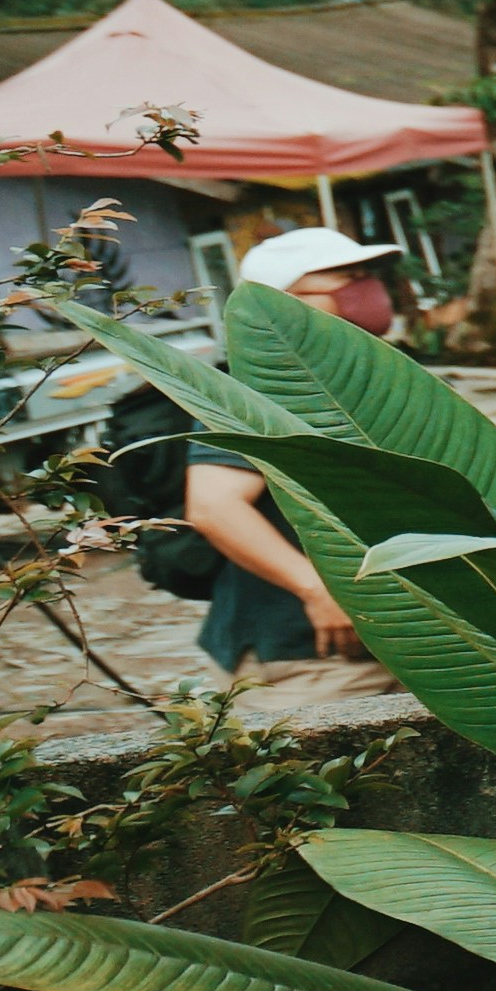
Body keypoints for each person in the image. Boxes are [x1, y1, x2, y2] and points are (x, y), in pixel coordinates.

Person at [184, 227, 405, 675]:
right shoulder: (252, 387)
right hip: (309, 654)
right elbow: (213, 506)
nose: (364, 289)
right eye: (344, 278)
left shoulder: (371, 375)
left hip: (404, 641)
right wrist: (318, 589)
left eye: (365, 274)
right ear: (281, 301)